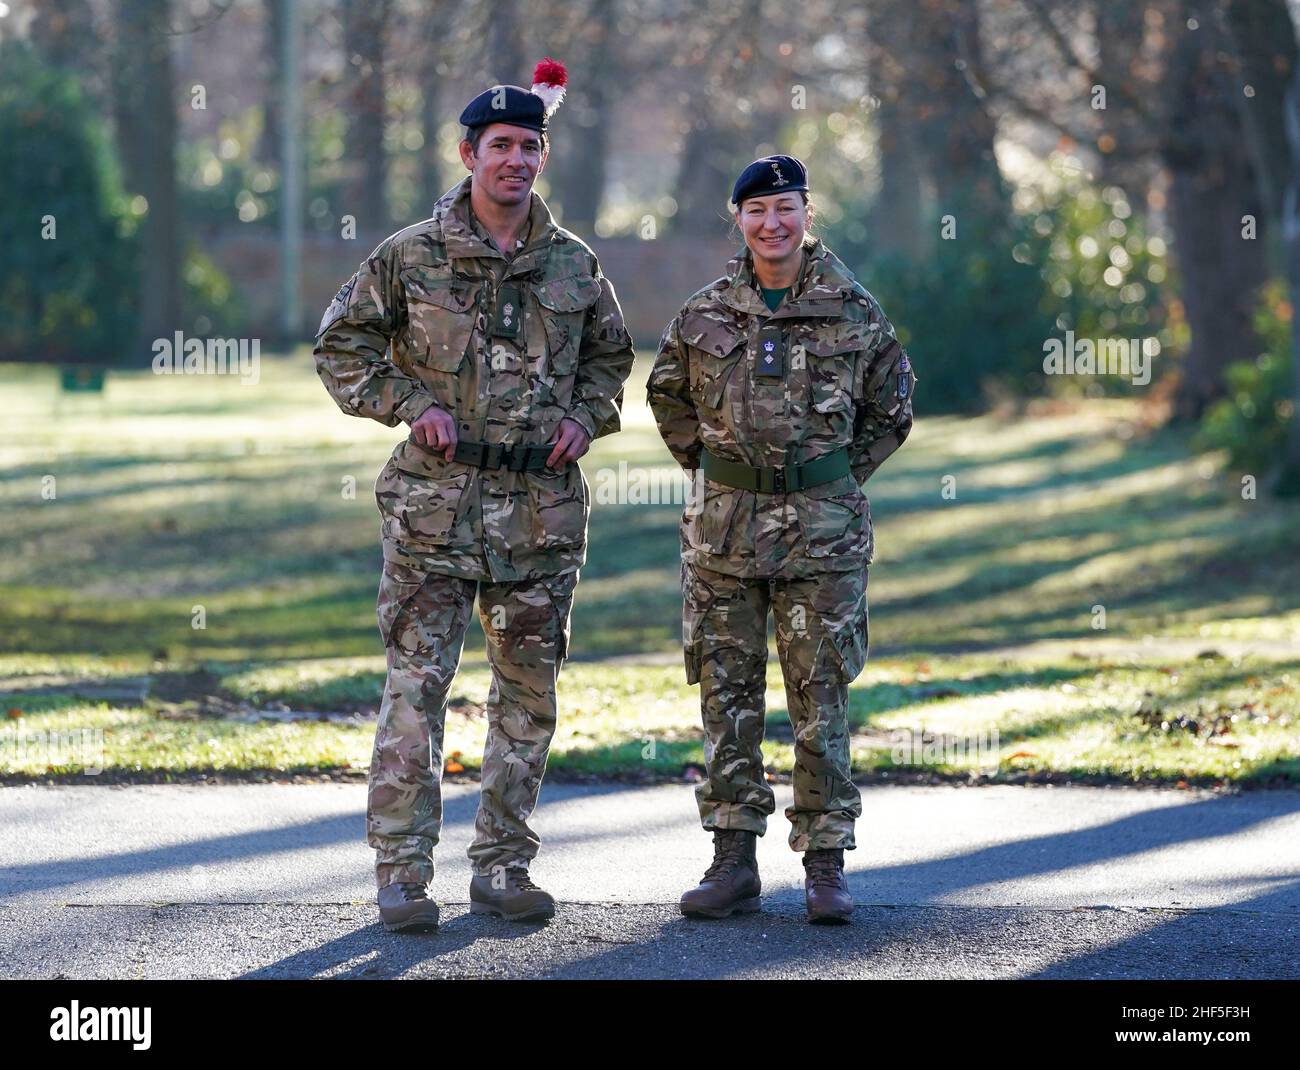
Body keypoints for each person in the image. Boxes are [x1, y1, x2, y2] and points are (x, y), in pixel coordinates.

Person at [313, 58, 635, 932]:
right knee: (416, 691)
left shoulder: (573, 265)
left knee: (527, 699)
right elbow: (342, 347)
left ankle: (502, 866)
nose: (516, 160)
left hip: (539, 512)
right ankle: (402, 877)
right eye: (500, 145)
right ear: (467, 153)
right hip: (434, 511)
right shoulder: (410, 256)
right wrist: (408, 403)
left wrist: (588, 414)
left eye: (530, 146)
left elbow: (612, 355)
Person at [646, 154, 917, 924]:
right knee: (727, 699)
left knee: (819, 695)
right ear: (738, 219)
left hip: (822, 539)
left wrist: (832, 477)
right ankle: (732, 862)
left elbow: (893, 406)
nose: (773, 222)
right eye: (757, 209)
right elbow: (666, 394)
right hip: (724, 536)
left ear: (807, 213)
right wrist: (713, 468)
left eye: (786, 207)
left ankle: (825, 864)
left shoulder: (851, 307)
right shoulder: (704, 312)